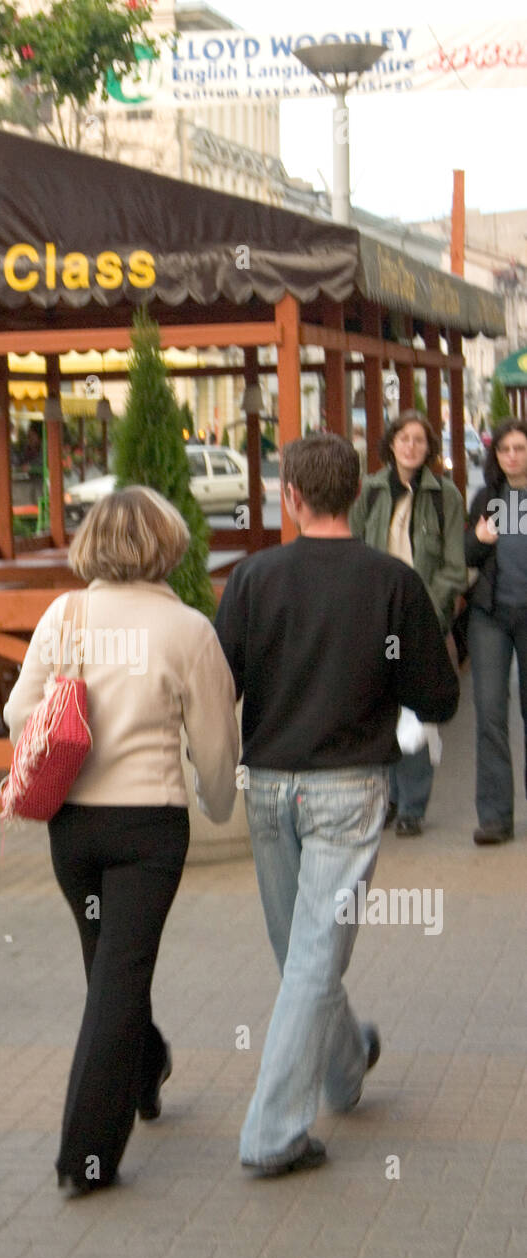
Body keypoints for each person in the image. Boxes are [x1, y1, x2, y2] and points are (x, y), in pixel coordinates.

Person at [215, 434, 459, 1177]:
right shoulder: (391, 581)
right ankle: (277, 1131)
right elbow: (438, 695)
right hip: (349, 788)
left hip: (268, 785)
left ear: (289, 495)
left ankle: (341, 1072)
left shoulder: (254, 579)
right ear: (358, 494)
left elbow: (219, 679)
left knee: (302, 953)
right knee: (312, 955)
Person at [3, 487, 239, 1196]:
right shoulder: (187, 628)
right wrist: (220, 805)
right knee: (119, 976)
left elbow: (18, 713)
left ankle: (145, 1066)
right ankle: (88, 1156)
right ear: (168, 545)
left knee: (107, 968)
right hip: (147, 829)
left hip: (72, 825)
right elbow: (216, 744)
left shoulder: (64, 613)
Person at [349, 410, 466, 836]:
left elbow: (455, 566)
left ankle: (413, 805)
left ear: (429, 448)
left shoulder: (444, 496)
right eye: (404, 439)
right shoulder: (373, 491)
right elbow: (354, 549)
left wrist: (427, 613)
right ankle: (389, 798)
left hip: (422, 618)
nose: (411, 446)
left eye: (419, 440)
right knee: (380, 709)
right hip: (378, 617)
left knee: (418, 711)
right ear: (392, 445)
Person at [464, 417, 527, 845]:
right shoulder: (489, 498)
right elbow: (464, 553)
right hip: (490, 615)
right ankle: (495, 817)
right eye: (504, 449)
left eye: (519, 448)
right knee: (489, 714)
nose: (511, 456)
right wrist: (480, 539)